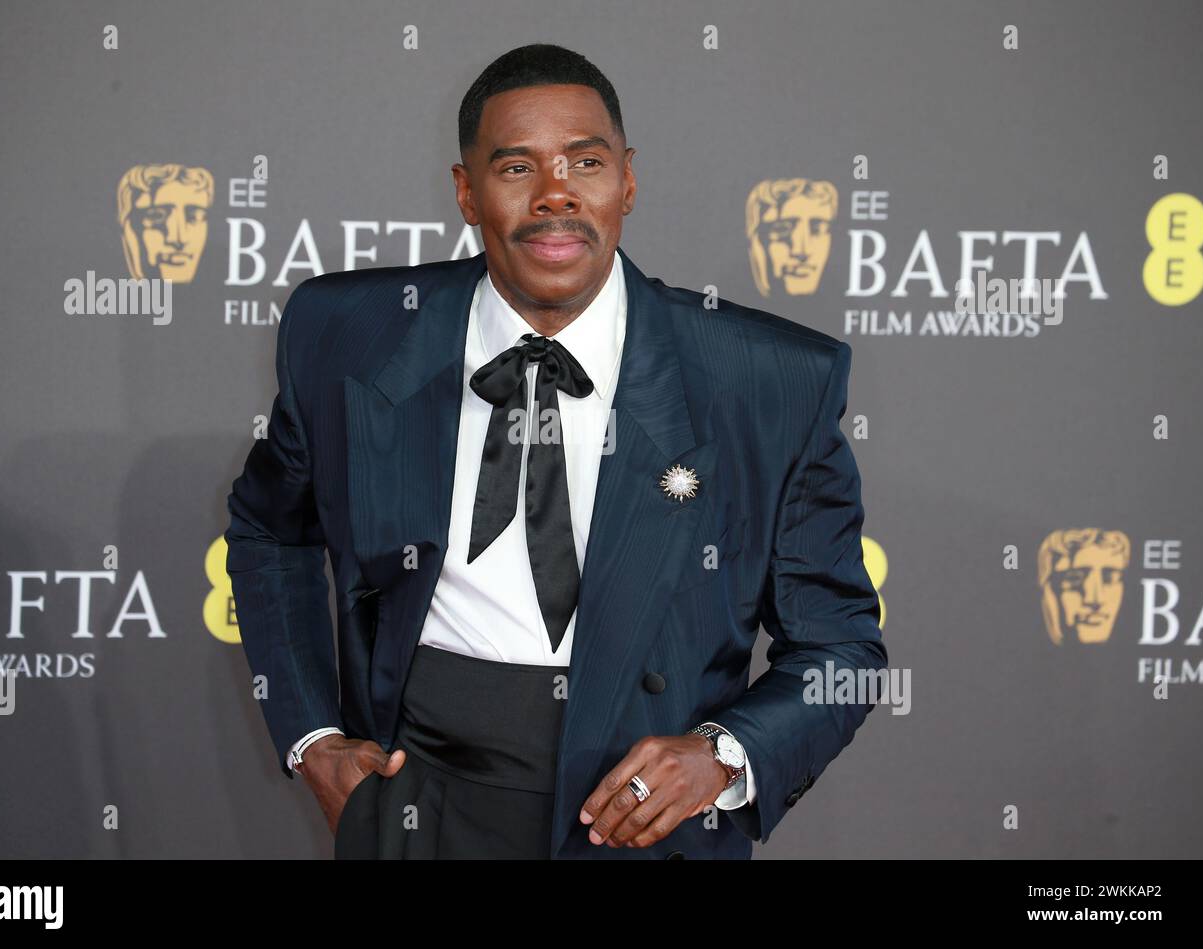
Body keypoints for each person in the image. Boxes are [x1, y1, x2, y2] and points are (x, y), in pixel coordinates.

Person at [225, 43, 887, 860]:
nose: (556, 195)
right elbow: (269, 533)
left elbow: (841, 647)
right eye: (515, 168)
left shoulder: (770, 382)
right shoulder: (347, 333)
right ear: (466, 192)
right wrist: (314, 739)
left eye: (586, 161)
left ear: (628, 181)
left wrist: (722, 755)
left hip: (641, 825)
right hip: (410, 809)